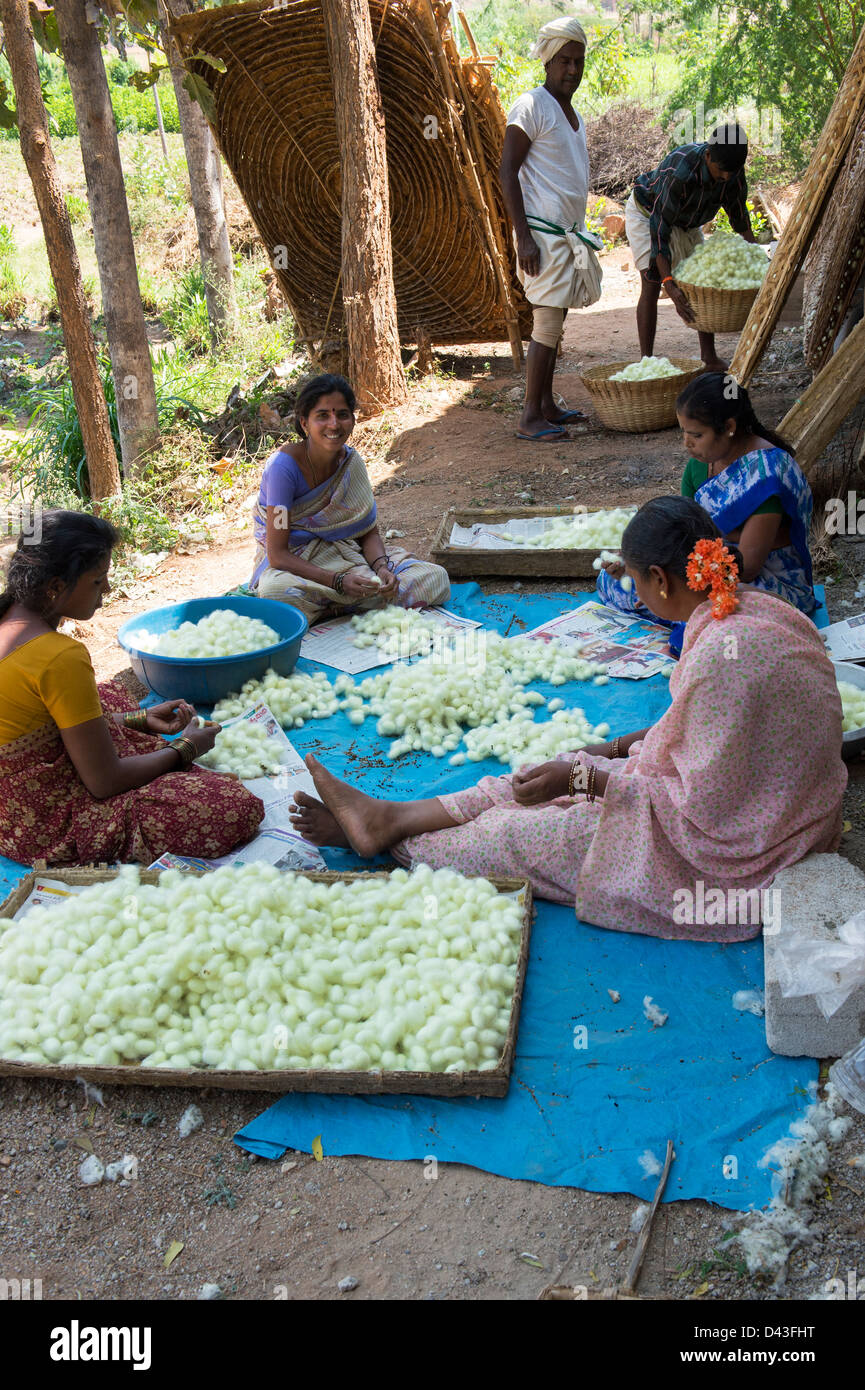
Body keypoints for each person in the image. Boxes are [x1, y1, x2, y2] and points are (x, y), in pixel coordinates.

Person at [289, 498, 846, 942]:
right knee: (542, 776)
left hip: (742, 849)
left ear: (660, 578)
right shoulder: (756, 610)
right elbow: (704, 733)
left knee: (522, 832)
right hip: (758, 801)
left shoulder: (722, 657)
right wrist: (606, 754)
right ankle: (390, 817)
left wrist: (586, 781)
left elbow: (698, 811)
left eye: (634, 582)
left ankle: (392, 843)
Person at [0, 511, 264, 867]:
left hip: (7, 804)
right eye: (98, 580)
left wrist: (136, 719)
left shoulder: (13, 624)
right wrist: (185, 748)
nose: (107, 589)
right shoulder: (59, 657)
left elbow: (38, 727)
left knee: (106, 694)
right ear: (55, 586)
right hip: (41, 821)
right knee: (232, 809)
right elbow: (104, 783)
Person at [596, 372, 817, 653]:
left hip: (758, 581)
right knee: (617, 580)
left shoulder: (766, 476)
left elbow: (745, 567)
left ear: (729, 426)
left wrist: (675, 586)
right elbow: (683, 531)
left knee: (719, 611)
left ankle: (679, 614)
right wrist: (640, 563)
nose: (686, 443)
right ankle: (677, 611)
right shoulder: (699, 466)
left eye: (696, 435)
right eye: (684, 433)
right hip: (705, 569)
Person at [250, 373, 449, 623]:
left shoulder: (351, 464)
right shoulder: (283, 468)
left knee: (436, 577)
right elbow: (278, 554)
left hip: (346, 557)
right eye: (322, 415)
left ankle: (332, 608)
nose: (334, 424)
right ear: (304, 423)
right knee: (275, 594)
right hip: (298, 563)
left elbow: (368, 532)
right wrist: (338, 582)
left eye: (342, 415)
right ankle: (356, 603)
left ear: (353, 421)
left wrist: (382, 570)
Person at [499, 17, 602, 441]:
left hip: (564, 234)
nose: (572, 70)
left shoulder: (571, 113)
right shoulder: (532, 105)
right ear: (548, 61)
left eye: (578, 62)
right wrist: (522, 235)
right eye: (565, 61)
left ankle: (545, 405)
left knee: (555, 319)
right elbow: (506, 172)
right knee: (546, 323)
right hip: (540, 233)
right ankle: (528, 417)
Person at [625, 123, 757, 371]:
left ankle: (709, 357)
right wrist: (669, 283)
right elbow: (660, 231)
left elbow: (740, 221)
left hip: (688, 222)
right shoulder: (681, 172)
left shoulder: (732, 172)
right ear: (708, 155)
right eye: (721, 172)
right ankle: (647, 362)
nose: (726, 178)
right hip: (648, 213)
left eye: (732, 172)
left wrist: (760, 266)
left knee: (700, 283)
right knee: (652, 282)